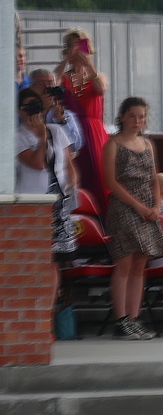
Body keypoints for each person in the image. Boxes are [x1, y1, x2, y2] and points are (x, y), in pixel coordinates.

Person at [102, 97, 163, 340]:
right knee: (125, 264)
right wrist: (139, 206)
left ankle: (133, 318)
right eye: (132, 115)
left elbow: (154, 178)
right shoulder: (113, 145)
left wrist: (156, 205)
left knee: (140, 265)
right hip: (124, 208)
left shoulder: (148, 144)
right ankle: (121, 320)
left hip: (147, 208)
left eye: (141, 116)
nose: (137, 121)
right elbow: (111, 181)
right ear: (121, 117)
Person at [15, 88, 77, 308]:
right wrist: (41, 138)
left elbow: (68, 163)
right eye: (28, 106)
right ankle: (33, 311)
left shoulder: (57, 131)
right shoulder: (18, 136)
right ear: (19, 111)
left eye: (37, 105)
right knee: (36, 258)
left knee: (53, 261)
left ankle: (48, 315)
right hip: (35, 204)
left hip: (58, 202)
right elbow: (38, 163)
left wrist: (71, 190)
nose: (34, 110)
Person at [54, 28, 110, 214]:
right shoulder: (64, 77)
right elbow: (53, 83)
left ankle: (103, 218)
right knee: (75, 175)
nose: (77, 50)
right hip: (72, 133)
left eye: (81, 45)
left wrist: (89, 65)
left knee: (98, 174)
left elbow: (100, 89)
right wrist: (66, 59)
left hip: (94, 131)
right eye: (72, 46)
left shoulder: (97, 75)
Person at [30, 69, 84, 154]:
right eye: (42, 83)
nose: (48, 87)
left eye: (50, 82)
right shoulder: (26, 112)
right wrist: (42, 110)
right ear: (31, 88)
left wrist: (62, 121)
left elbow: (75, 146)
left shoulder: (64, 113)